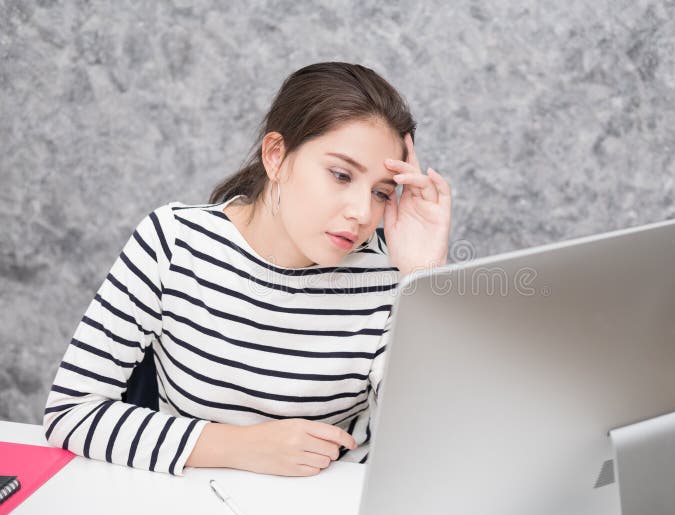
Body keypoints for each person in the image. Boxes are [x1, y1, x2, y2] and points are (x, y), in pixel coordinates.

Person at [42, 62, 452, 477]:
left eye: (382, 193)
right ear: (276, 156)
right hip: (192, 503)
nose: (363, 213)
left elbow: (436, 437)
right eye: (341, 175)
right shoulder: (174, 242)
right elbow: (72, 412)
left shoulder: (387, 275)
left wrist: (422, 276)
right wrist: (242, 446)